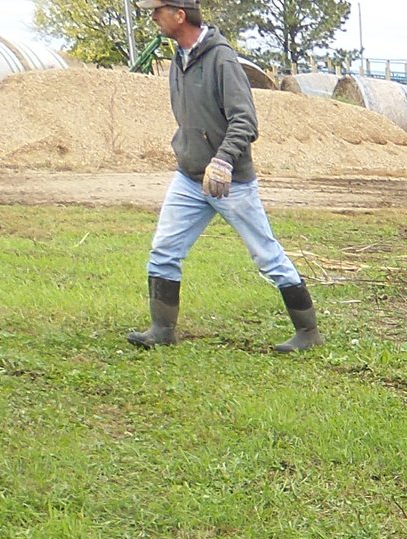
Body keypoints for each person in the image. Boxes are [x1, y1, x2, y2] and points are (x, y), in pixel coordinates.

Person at [126, 2, 320, 353]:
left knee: (267, 256)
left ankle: (308, 333)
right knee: (164, 250)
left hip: (231, 181)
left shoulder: (222, 61)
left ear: (179, 15)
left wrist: (223, 161)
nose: (153, 17)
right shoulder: (177, 60)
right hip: (189, 178)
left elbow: (245, 120)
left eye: (158, 11)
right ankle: (162, 329)